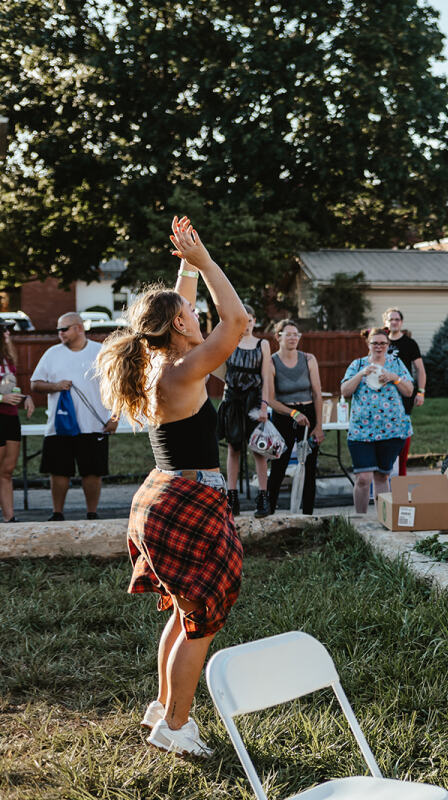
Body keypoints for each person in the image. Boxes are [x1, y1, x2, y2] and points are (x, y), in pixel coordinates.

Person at [96, 216, 248, 757]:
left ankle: (163, 707)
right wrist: (206, 263)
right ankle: (178, 726)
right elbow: (237, 319)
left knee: (187, 613)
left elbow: (184, 306)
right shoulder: (184, 369)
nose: (196, 313)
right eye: (189, 312)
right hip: (190, 500)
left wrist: (186, 265)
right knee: (203, 618)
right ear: (180, 326)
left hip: (163, 494)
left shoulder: (160, 361)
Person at [30, 311, 118, 521]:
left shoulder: (101, 352)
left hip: (94, 425)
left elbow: (117, 387)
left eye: (64, 329)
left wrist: (115, 417)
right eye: (58, 330)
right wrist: (55, 386)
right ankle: (57, 513)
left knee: (92, 472)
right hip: (60, 425)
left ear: (79, 328)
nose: (60, 333)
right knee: (59, 471)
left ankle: (92, 513)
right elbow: (35, 384)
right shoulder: (52, 353)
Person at [341, 327, 413, 514]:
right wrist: (362, 374)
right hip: (361, 430)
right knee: (363, 478)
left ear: (388, 345)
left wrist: (394, 378)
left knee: (382, 476)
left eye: (383, 343)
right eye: (375, 343)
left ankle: (383, 519)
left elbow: (409, 391)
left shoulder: (396, 364)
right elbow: (345, 392)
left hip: (391, 429)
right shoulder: (357, 365)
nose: (379, 347)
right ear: (368, 344)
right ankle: (361, 520)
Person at [264, 320, 323, 515]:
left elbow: (317, 394)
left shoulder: (309, 359)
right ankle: (269, 511)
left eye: (296, 334)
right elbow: (270, 399)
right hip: (284, 416)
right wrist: (292, 413)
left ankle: (308, 514)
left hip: (309, 416)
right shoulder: (271, 362)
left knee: (309, 467)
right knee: (279, 465)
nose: (293, 338)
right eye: (288, 334)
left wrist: (319, 426)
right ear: (278, 336)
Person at [216, 304, 271, 517]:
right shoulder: (230, 342)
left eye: (249, 320)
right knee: (233, 448)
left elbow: (266, 377)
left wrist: (265, 405)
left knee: (259, 449)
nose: (246, 325)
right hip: (232, 399)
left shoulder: (262, 344)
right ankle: (232, 497)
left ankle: (263, 498)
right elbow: (218, 368)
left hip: (254, 400)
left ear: (254, 321)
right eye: (242, 321)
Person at [383, 308, 425, 475]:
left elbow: (420, 370)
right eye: (391, 319)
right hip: (384, 395)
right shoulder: (381, 342)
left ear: (401, 322)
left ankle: (401, 471)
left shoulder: (410, 343)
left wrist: (421, 392)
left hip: (404, 393)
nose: (394, 322)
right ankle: (386, 469)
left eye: (397, 319)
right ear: (385, 322)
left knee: (403, 429)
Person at [0, 322, 35, 521]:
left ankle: (9, 518)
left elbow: (10, 389)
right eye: (3, 329)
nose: (8, 332)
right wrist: (1, 399)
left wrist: (24, 397)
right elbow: (3, 395)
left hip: (11, 418)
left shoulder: (8, 357)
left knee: (7, 471)